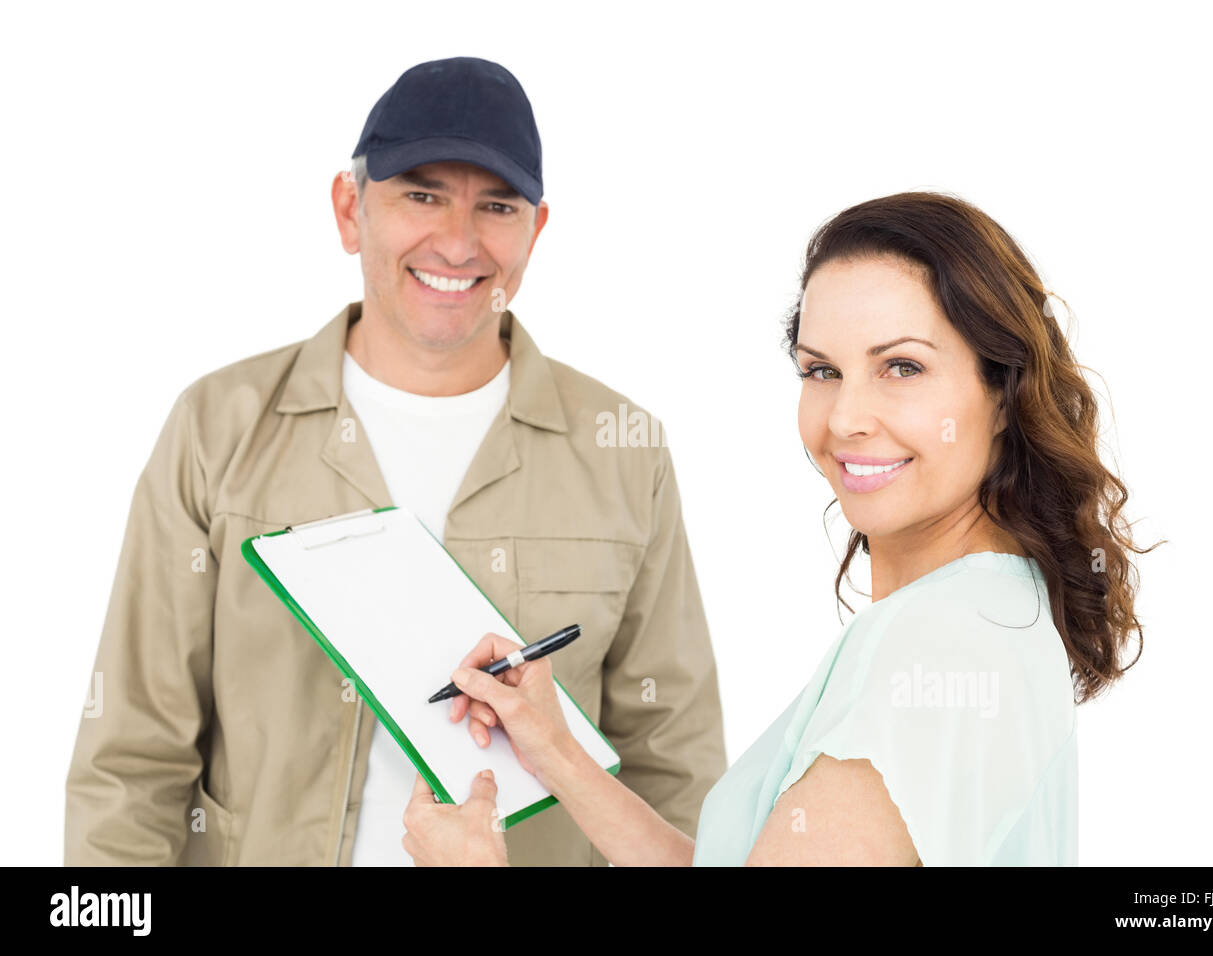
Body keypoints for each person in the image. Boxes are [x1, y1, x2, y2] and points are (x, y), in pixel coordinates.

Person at [64, 57, 727, 866]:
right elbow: (132, 759)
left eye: (496, 205)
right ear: (350, 209)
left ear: (535, 232)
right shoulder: (219, 426)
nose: (457, 241)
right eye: (421, 194)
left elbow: (675, 766)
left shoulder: (623, 450)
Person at [400, 191, 1154, 866]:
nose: (847, 419)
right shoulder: (995, 608)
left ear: (1002, 391)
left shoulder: (935, 644)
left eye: (902, 367)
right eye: (822, 370)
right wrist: (558, 751)